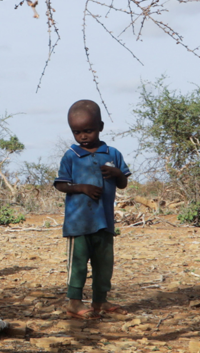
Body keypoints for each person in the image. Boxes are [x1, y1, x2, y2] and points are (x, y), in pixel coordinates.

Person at [54, 99, 131, 319]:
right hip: (79, 223)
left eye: (88, 130)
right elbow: (60, 184)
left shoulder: (112, 154)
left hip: (104, 222)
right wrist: (81, 188)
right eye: (76, 132)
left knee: (104, 264)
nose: (82, 136)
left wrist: (117, 175)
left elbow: (123, 182)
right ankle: (74, 302)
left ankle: (100, 301)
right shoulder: (71, 156)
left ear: (101, 127)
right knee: (78, 264)